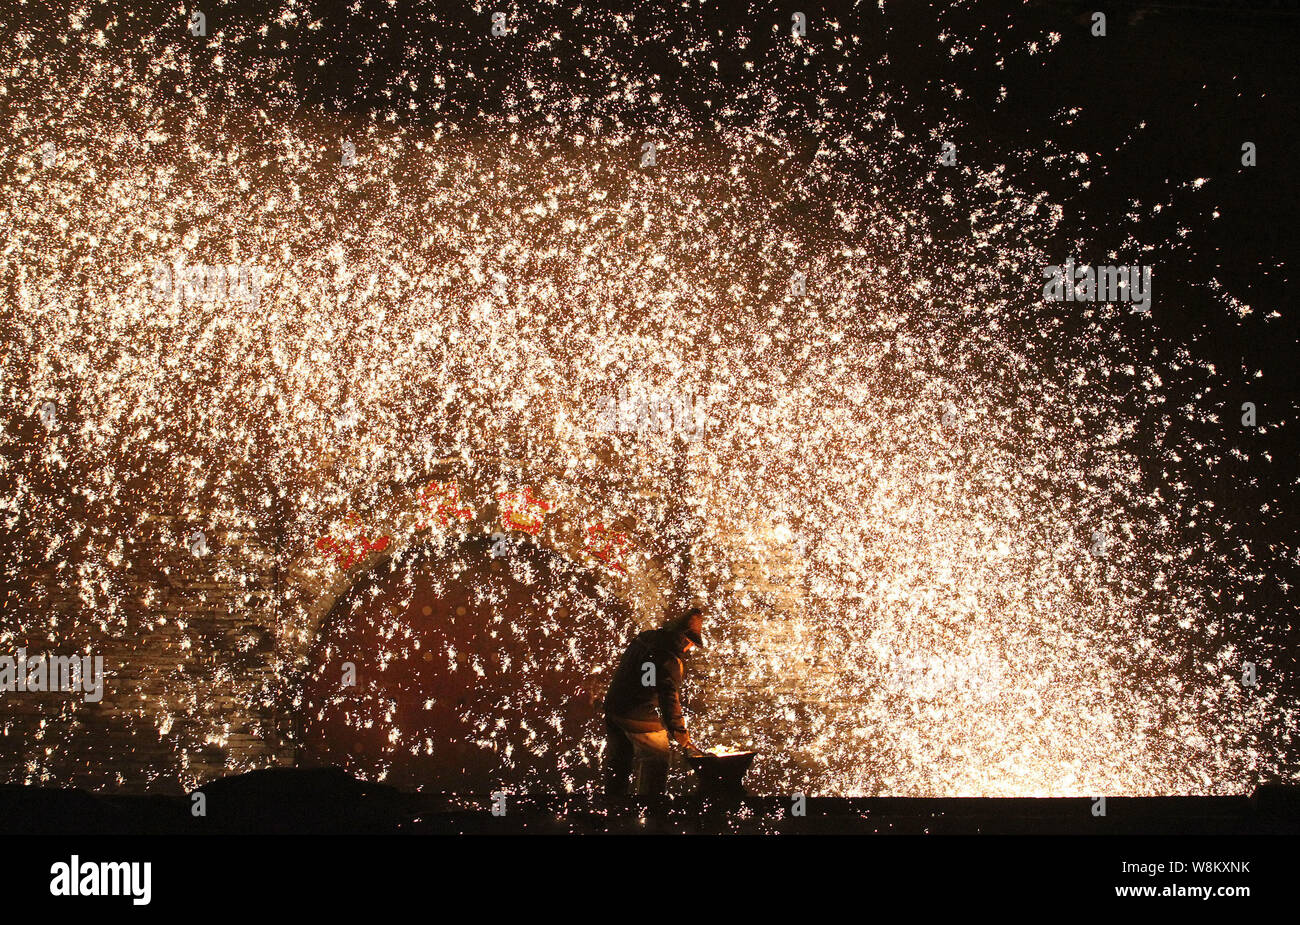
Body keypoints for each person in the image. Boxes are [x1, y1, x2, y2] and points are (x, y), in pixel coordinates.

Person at [602, 607, 706, 797]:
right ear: (683, 638)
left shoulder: (646, 639)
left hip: (614, 707)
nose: (689, 648)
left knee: (619, 761)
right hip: (637, 713)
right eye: (690, 643)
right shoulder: (668, 657)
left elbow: (646, 681)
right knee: (657, 757)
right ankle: (650, 809)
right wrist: (678, 730)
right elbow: (667, 695)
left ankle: (613, 806)